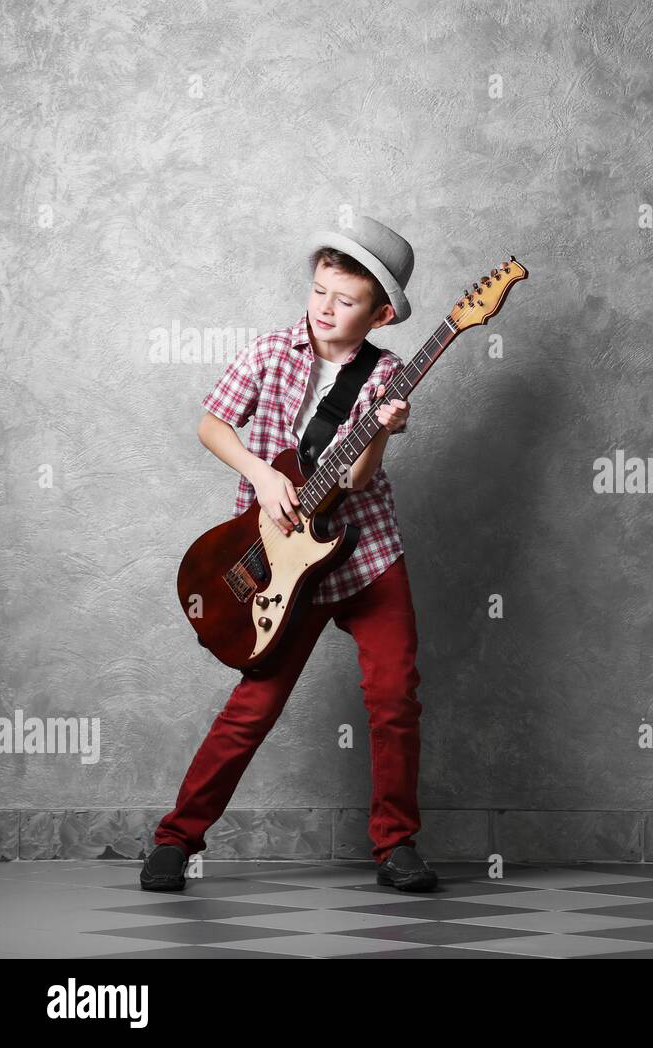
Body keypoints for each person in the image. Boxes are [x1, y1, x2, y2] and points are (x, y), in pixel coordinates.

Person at [141, 216, 436, 892]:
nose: (325, 309)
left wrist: (383, 432)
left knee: (394, 696)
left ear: (382, 313)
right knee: (254, 704)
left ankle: (396, 846)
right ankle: (176, 839)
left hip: (365, 553)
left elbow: (358, 480)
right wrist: (263, 472)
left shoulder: (386, 374)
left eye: (345, 300)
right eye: (319, 291)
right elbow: (211, 424)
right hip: (282, 556)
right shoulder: (271, 350)